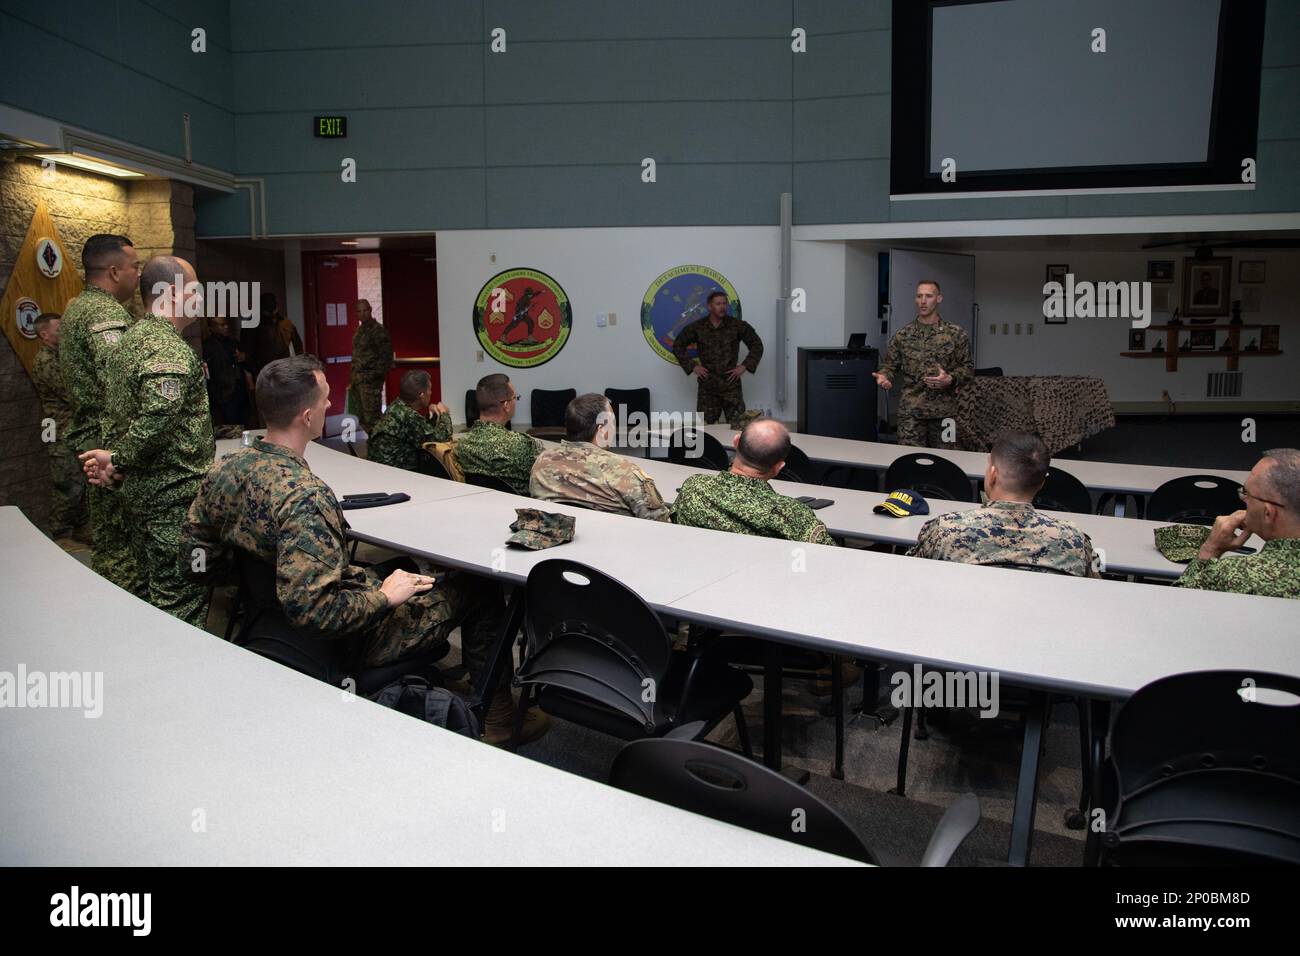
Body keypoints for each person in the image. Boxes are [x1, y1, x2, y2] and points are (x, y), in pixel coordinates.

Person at [179, 356, 548, 744]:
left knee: (405, 565)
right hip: (344, 640)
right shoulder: (305, 496)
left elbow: (194, 560)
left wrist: (261, 580)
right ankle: (499, 718)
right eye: (324, 400)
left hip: (267, 628)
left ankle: (469, 680)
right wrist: (384, 598)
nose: (328, 406)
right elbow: (317, 611)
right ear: (307, 416)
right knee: (479, 586)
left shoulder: (226, 470)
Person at [81, 256, 216, 628]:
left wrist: (115, 462)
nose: (201, 298)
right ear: (172, 293)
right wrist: (118, 460)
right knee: (180, 602)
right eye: (195, 289)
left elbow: (117, 414)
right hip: (172, 502)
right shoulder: (168, 349)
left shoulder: (131, 341)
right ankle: (180, 678)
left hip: (141, 497)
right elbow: (157, 417)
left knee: (151, 594)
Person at [57, 233, 147, 597]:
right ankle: (129, 612)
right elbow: (120, 379)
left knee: (109, 539)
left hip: (93, 439)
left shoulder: (77, 307)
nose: (138, 274)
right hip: (110, 447)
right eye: (134, 266)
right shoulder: (105, 315)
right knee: (122, 544)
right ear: (113, 271)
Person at [906, 431, 1101, 577]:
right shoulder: (1074, 540)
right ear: (1041, 483)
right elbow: (1094, 594)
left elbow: (910, 580)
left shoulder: (944, 530)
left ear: (992, 475)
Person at [673, 418, 835, 545]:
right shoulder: (792, 514)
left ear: (736, 443)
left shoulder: (694, 487)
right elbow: (832, 560)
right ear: (779, 467)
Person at [1174, 448, 1300, 599]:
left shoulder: (1236, 575)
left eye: (1247, 494)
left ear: (1268, 513)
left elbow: (1179, 604)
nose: (1243, 499)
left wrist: (1210, 548)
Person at [530, 393, 671, 521]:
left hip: (557, 546)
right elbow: (662, 524)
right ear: (602, 430)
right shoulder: (624, 471)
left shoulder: (542, 461)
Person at [873, 280, 973, 449]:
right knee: (911, 462)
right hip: (912, 413)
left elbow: (968, 368)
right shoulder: (903, 336)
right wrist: (884, 376)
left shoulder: (956, 334)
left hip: (945, 413)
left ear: (939, 299)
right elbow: (890, 365)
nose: (923, 301)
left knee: (947, 462)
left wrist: (950, 378)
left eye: (928, 296)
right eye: (919, 296)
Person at [29, 313, 89, 543]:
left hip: (73, 429)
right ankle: (61, 534)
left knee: (81, 481)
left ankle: (82, 528)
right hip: (60, 431)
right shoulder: (45, 360)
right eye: (58, 328)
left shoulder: (61, 356)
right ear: (44, 334)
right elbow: (71, 393)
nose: (62, 331)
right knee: (66, 483)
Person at [671, 290, 763, 425]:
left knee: (738, 427)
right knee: (707, 430)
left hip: (731, 385)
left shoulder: (737, 325)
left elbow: (757, 345)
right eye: (718, 304)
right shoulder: (698, 327)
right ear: (709, 306)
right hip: (708, 386)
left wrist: (744, 366)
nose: (722, 307)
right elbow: (678, 345)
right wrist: (693, 366)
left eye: (725, 303)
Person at [455, 373, 543, 495]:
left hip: (478, 508)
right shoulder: (524, 444)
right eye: (515, 397)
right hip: (518, 510)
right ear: (506, 406)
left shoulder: (462, 445)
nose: (515, 401)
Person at [367, 369, 452, 472]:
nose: (431, 392)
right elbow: (440, 439)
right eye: (429, 390)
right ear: (422, 395)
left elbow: (422, 434)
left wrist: (433, 415)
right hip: (395, 476)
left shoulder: (396, 406)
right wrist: (444, 413)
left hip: (381, 470)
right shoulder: (408, 416)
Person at [349, 298, 393, 435]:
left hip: (370, 383)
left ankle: (379, 450)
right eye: (359, 311)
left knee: (373, 418)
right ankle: (372, 446)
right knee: (363, 418)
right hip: (359, 381)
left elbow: (386, 357)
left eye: (365, 310)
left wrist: (374, 377)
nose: (362, 314)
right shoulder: (359, 331)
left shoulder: (377, 331)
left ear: (370, 310)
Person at [203, 314, 252, 427]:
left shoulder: (232, 342)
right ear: (212, 328)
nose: (226, 327)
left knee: (244, 422)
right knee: (228, 426)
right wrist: (215, 393)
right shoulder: (208, 346)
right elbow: (208, 373)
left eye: (226, 324)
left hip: (240, 390)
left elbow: (246, 361)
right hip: (223, 393)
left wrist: (244, 357)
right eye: (221, 325)